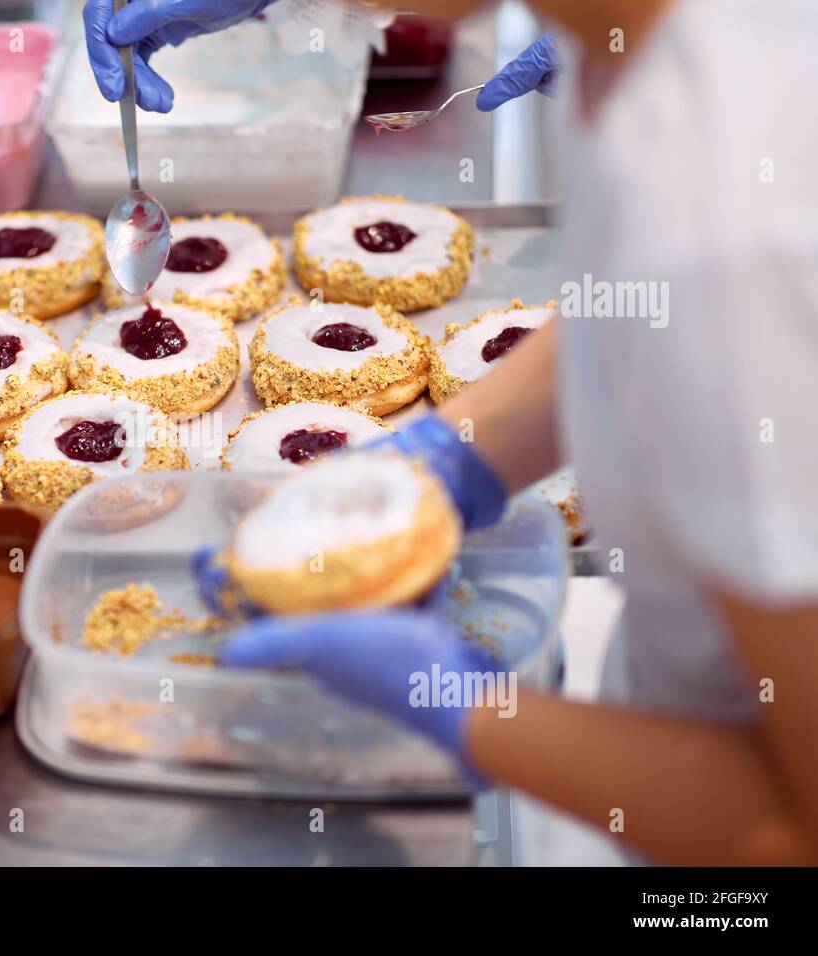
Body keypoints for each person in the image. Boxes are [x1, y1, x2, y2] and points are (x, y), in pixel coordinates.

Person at [83, 0, 818, 866]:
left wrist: (469, 709)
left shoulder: (742, 237)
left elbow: (793, 831)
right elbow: (643, 313)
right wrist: (448, 457)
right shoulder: (629, 41)